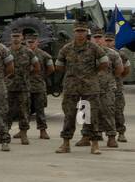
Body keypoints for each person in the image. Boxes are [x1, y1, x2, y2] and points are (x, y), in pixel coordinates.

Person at [54, 22, 110, 154]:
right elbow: (59, 66)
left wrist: (93, 73)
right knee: (69, 115)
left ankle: (95, 144)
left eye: (83, 31)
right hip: (71, 87)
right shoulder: (66, 48)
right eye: (78, 31)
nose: (80, 33)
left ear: (87, 32)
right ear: (74, 32)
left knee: (91, 115)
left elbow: (104, 62)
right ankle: (65, 143)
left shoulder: (94, 47)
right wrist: (71, 73)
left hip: (90, 86)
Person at [5, 29, 36, 146]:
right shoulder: (6, 51)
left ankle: (23, 134)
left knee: (24, 111)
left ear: (22, 37)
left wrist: (27, 76)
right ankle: (5, 134)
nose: (16, 38)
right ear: (10, 37)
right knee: (6, 111)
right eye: (13, 36)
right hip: (9, 87)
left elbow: (36, 67)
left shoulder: (28, 52)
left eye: (18, 36)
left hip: (23, 87)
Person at [24, 29, 53, 139]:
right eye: (28, 42)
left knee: (40, 110)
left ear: (37, 42)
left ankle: (42, 130)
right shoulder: (22, 53)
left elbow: (51, 68)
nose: (30, 43)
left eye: (33, 41)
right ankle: (23, 131)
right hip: (25, 86)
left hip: (38, 86)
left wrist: (42, 76)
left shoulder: (44, 55)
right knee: (24, 110)